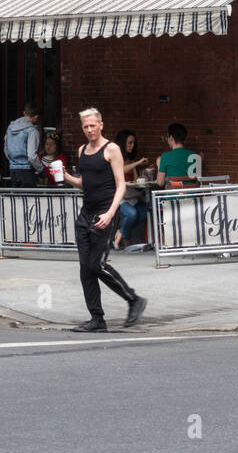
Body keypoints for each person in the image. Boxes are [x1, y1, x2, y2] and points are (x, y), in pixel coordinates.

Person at [61, 108, 146, 332]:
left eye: (92, 125)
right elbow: (84, 184)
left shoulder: (112, 149)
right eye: (85, 126)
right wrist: (64, 176)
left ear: (101, 125)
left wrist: (110, 214)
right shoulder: (82, 150)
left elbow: (121, 185)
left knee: (96, 264)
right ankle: (97, 319)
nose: (89, 130)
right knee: (85, 269)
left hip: (105, 213)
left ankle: (133, 299)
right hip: (85, 214)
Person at [113, 130, 150, 251]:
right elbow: (120, 170)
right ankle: (126, 238)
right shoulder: (115, 158)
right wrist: (138, 163)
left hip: (132, 196)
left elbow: (135, 180)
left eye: (133, 143)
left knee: (148, 210)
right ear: (122, 143)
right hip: (120, 198)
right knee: (132, 213)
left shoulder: (130, 160)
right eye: (129, 143)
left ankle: (122, 232)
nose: (132, 145)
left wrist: (144, 172)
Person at [3, 103, 44, 188]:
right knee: (29, 200)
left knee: (16, 200)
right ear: (36, 117)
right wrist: (41, 169)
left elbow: (6, 151)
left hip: (13, 170)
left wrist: (14, 162)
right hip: (27, 172)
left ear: (24, 113)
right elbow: (32, 156)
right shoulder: (32, 131)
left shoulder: (10, 128)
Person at [156, 123, 201, 189]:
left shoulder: (165, 156)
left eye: (167, 136)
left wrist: (159, 166)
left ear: (171, 138)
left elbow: (160, 183)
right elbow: (199, 180)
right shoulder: (195, 156)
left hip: (173, 198)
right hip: (192, 196)